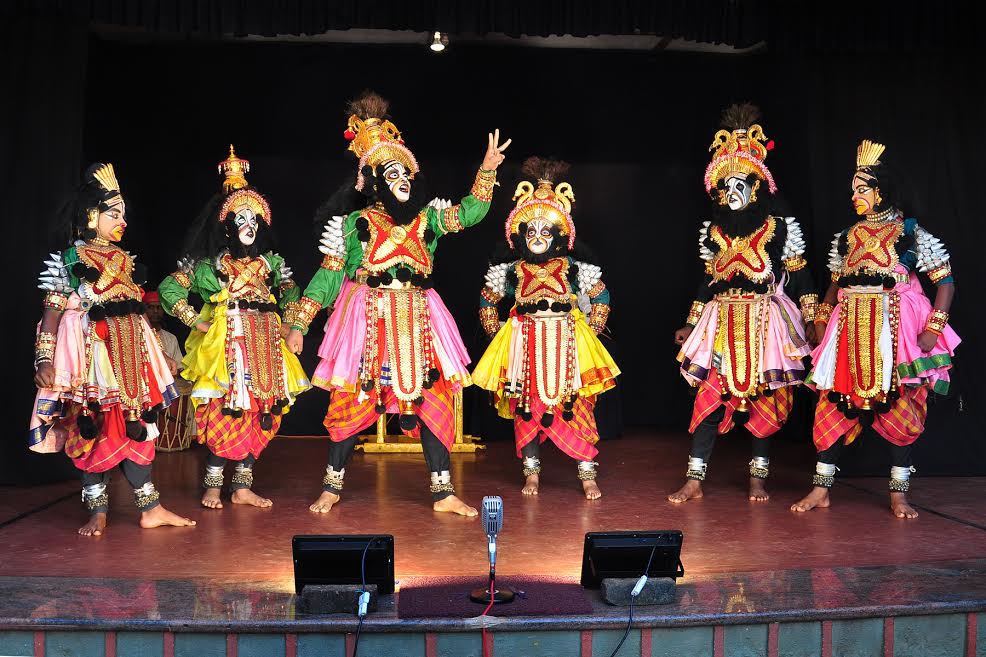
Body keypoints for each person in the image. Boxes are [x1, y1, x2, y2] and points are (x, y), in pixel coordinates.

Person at [283, 91, 511, 516]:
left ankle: (443, 493)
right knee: (351, 400)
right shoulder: (358, 223)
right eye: (391, 172)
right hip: (367, 319)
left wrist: (485, 171)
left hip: (421, 316)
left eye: (406, 171)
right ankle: (332, 486)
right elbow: (330, 275)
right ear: (375, 182)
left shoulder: (429, 219)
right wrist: (299, 323)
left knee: (435, 397)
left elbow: (471, 213)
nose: (402, 177)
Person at [791, 139, 959, 519]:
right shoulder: (846, 237)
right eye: (853, 189)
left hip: (896, 328)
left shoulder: (910, 233)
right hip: (848, 328)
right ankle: (821, 488)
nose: (855, 196)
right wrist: (820, 319)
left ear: (881, 191)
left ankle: (899, 493)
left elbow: (944, 280)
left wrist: (934, 327)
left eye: (862, 188)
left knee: (903, 403)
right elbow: (834, 285)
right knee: (831, 402)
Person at [30, 163, 196, 536]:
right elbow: (53, 310)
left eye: (124, 214)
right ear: (91, 215)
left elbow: (138, 316)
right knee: (95, 431)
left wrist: (158, 356)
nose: (122, 221)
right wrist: (44, 357)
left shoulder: (125, 260)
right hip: (93, 362)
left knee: (140, 428)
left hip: (133, 360)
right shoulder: (71, 260)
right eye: (114, 213)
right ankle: (98, 511)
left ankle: (150, 509)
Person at [670, 104, 814, 503]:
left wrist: (815, 318)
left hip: (766, 320)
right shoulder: (714, 232)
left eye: (739, 185)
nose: (730, 193)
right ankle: (695, 480)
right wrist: (690, 321)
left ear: (755, 187)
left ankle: (758, 479)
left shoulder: (778, 227)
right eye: (724, 187)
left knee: (765, 403)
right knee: (709, 397)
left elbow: (800, 275)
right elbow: (706, 281)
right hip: (720, 322)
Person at [159, 146, 311, 509]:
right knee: (225, 411)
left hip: (267, 347)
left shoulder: (271, 263)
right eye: (241, 219)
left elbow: (293, 295)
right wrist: (194, 318)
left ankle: (242, 486)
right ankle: (213, 485)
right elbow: (169, 288)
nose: (249, 226)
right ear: (227, 225)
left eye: (254, 220)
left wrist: (293, 327)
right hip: (228, 349)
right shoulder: (209, 265)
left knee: (263, 411)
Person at [473, 157, 618, 499]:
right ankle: (532, 474)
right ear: (521, 235)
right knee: (527, 407)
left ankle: (587, 475)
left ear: (558, 235)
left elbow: (601, 294)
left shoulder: (571, 267)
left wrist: (594, 329)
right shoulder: (513, 270)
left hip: (568, 343)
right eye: (531, 231)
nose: (538, 236)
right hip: (525, 345)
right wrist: (497, 333)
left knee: (578, 406)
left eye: (546, 231)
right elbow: (487, 298)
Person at [143, 290, 182, 376]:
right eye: (151, 307)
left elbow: (179, 367)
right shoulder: (139, 336)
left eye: (159, 307)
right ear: (143, 311)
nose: (155, 311)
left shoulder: (171, 338)